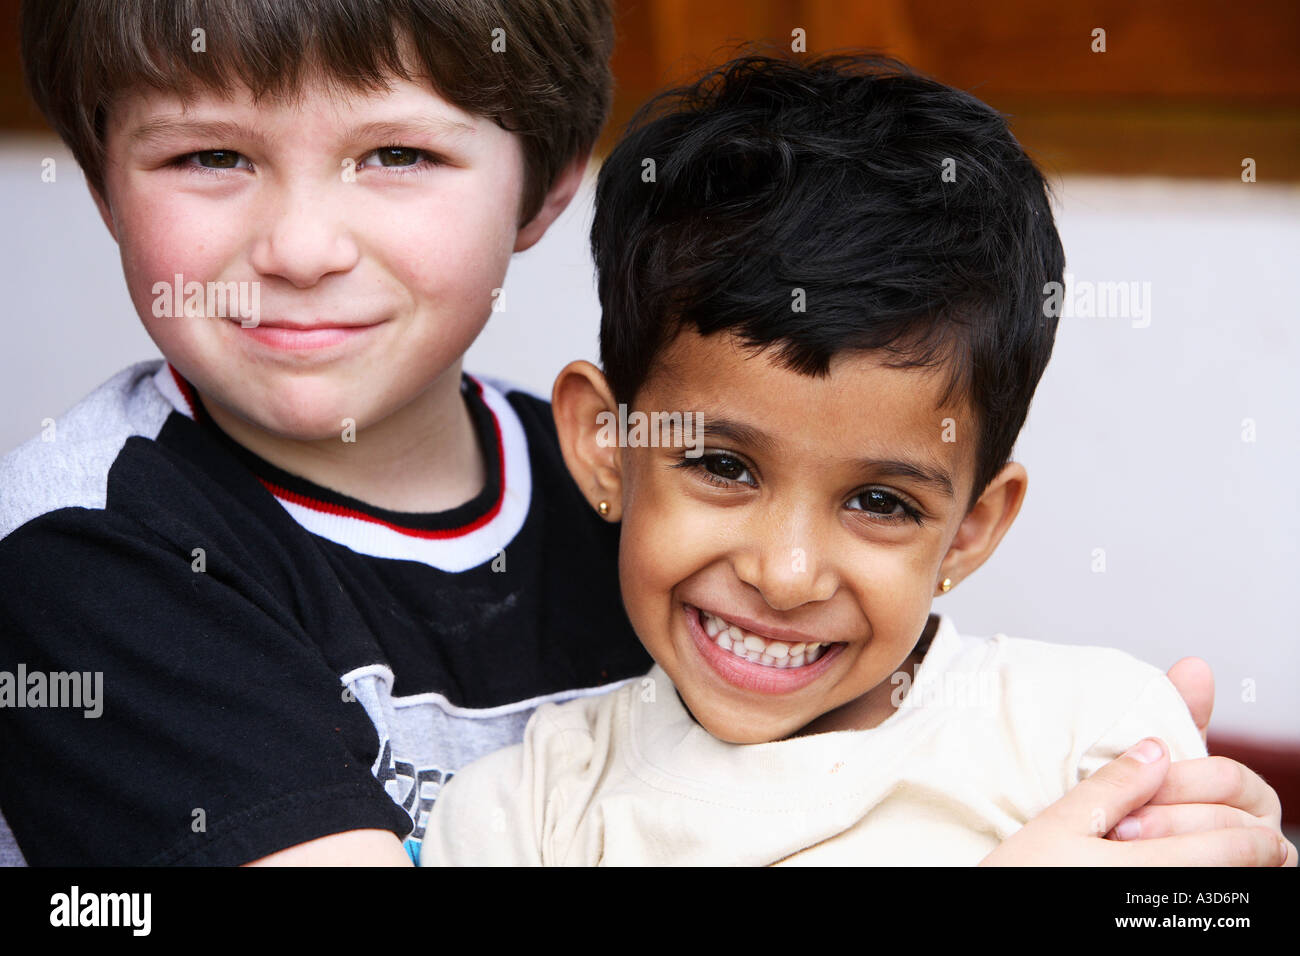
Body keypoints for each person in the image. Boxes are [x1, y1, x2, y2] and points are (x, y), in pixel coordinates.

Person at [0, 1, 1286, 868]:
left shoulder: (657, 494)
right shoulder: (88, 564)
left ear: (546, 182)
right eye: (208, 156)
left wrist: (1198, 853)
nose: (299, 247)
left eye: (395, 154)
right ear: (101, 171)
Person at [419, 53, 1295, 866]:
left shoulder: (1093, 740)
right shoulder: (523, 816)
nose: (788, 574)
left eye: (880, 501)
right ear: (608, 447)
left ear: (970, 529)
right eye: (723, 466)